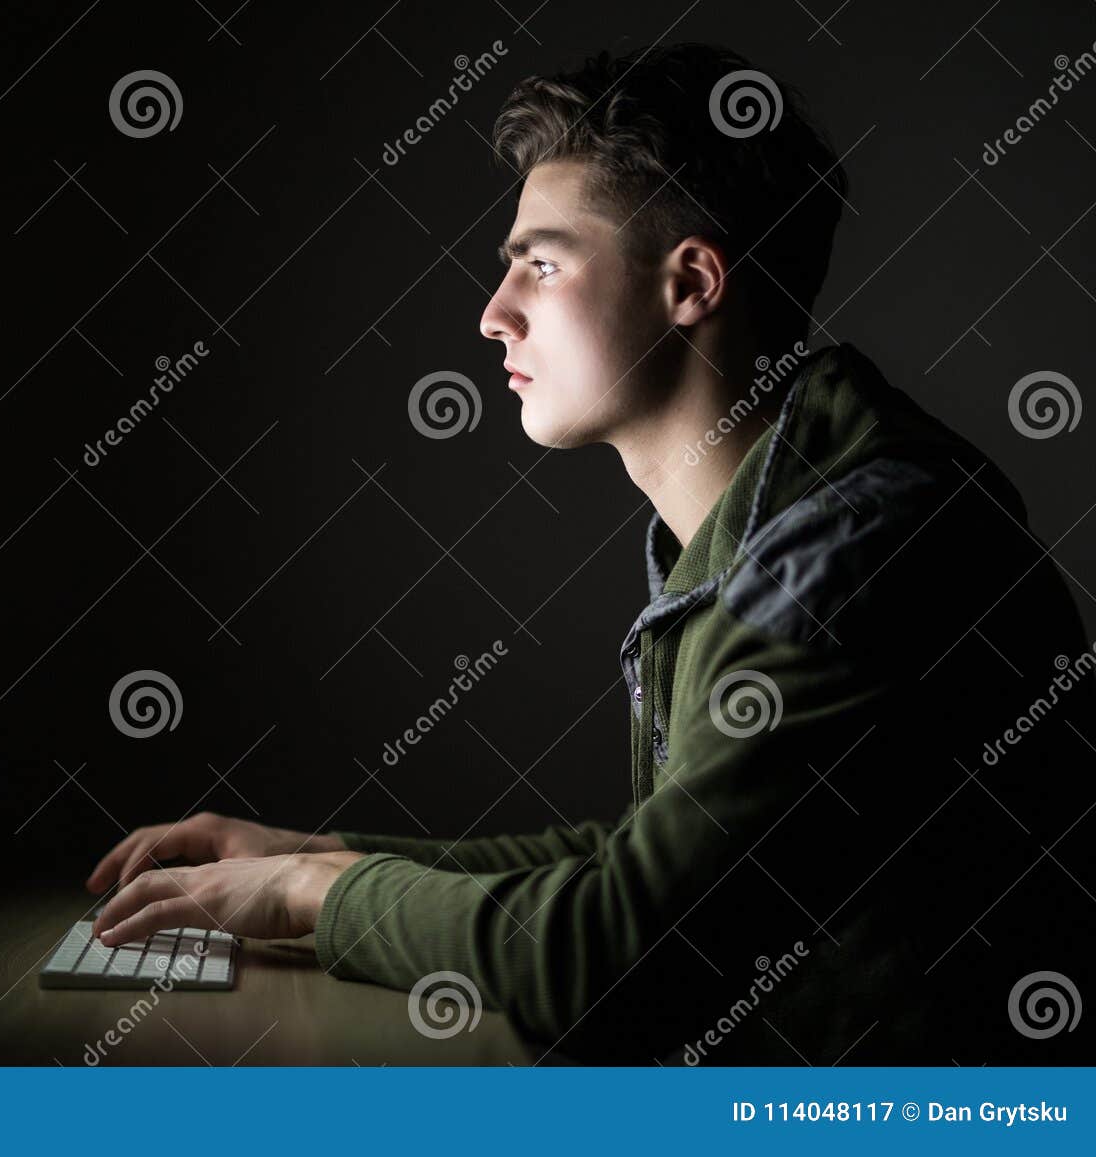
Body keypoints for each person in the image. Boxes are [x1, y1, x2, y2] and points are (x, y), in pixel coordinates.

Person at [86, 43, 1095, 1064]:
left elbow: (620, 957)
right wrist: (319, 856)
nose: (493, 315)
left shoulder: (846, 552)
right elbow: (643, 865)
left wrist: (314, 891)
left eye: (542, 263)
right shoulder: (765, 521)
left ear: (689, 282)